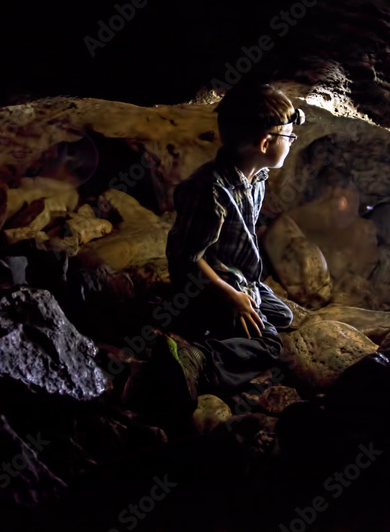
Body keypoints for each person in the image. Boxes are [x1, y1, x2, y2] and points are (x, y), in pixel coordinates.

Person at [123, 83, 305, 422]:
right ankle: (197, 360)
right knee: (269, 345)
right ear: (266, 143)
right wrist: (229, 296)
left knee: (283, 316)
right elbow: (186, 257)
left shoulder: (256, 180)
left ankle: (199, 323)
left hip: (235, 276)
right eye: (289, 137)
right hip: (208, 285)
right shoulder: (211, 191)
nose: (291, 143)